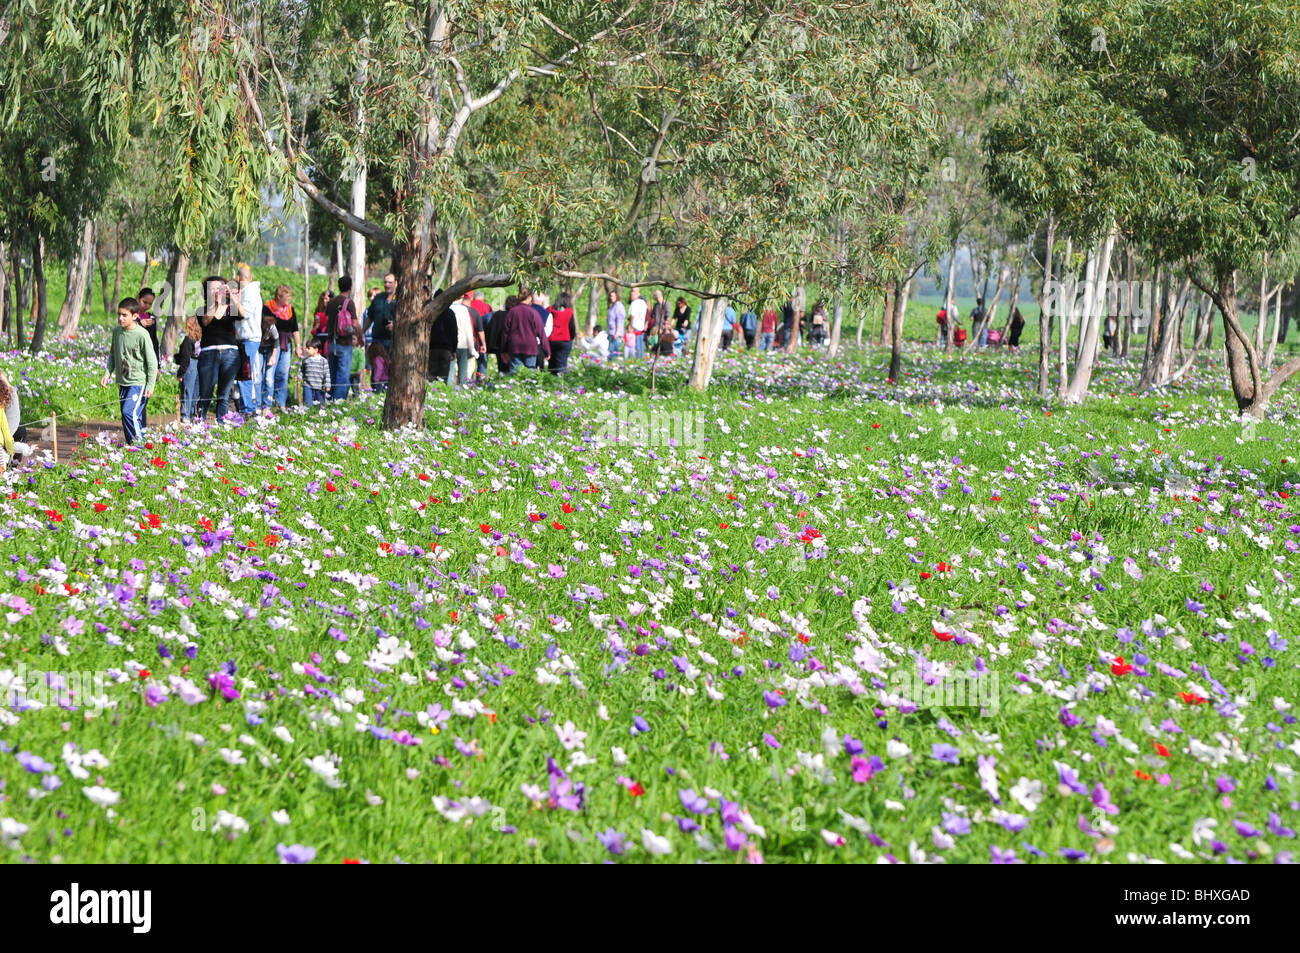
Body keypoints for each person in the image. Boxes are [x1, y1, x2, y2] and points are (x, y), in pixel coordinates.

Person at [100, 297, 157, 446]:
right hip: (123, 382)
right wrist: (107, 373)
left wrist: (150, 384)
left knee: (128, 413)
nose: (120, 318)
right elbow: (113, 354)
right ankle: (132, 447)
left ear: (135, 316)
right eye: (119, 314)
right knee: (130, 417)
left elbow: (152, 361)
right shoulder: (117, 332)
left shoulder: (142, 334)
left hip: (139, 382)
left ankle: (140, 447)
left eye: (125, 315)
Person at [195, 276, 240, 422]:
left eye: (218, 288)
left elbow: (243, 313)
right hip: (209, 353)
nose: (215, 291)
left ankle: (222, 424)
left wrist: (231, 295)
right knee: (206, 392)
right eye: (212, 288)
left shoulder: (231, 308)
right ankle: (199, 423)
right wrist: (216, 303)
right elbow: (206, 321)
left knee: (224, 394)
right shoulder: (202, 310)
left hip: (230, 352)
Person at [231, 264, 263, 415]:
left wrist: (232, 298)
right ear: (250, 278)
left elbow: (244, 313)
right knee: (245, 373)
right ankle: (246, 406)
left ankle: (247, 408)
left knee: (245, 374)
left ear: (239, 278)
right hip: (246, 338)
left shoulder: (250, 293)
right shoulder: (247, 292)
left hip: (249, 338)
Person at [322, 277, 359, 401]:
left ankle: (330, 398)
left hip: (331, 343)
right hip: (344, 343)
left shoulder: (332, 302)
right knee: (343, 374)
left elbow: (328, 318)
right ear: (350, 287)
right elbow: (354, 323)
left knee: (332, 373)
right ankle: (339, 402)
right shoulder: (349, 303)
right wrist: (361, 334)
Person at [264, 284, 299, 410]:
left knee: (283, 375)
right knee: (269, 375)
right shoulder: (268, 308)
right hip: (273, 346)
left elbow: (295, 328)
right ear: (279, 296)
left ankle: (281, 403)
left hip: (286, 345)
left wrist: (298, 345)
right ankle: (267, 403)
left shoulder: (290, 309)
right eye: (287, 296)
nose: (289, 298)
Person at [503, 289, 550, 373]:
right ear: (529, 298)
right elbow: (541, 333)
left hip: (515, 347)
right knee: (529, 375)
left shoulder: (512, 312)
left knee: (516, 374)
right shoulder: (533, 313)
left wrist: (503, 350)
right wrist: (547, 350)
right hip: (530, 347)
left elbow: (506, 333)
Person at [0, 371, 30, 465]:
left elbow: (8, 427)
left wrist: (6, 446)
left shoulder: (9, 394)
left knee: (21, 430)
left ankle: (12, 463)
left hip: (3, 439)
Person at [176, 315, 202, 422]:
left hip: (190, 365)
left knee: (187, 391)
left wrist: (180, 373)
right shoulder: (200, 340)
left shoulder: (188, 339)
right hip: (199, 364)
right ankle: (191, 414)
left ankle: (184, 415)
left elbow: (185, 358)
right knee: (195, 392)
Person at [429, 293, 459, 384]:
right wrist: (454, 350)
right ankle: (440, 392)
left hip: (432, 348)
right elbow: (454, 332)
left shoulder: (431, 312)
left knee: (431, 376)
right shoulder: (450, 313)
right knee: (443, 377)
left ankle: (432, 392)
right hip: (446, 349)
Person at [363, 273, 398, 350]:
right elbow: (370, 318)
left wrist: (396, 325)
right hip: (377, 341)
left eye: (390, 282)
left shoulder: (400, 298)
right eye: (385, 282)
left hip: (394, 341)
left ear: (395, 283)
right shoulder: (378, 298)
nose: (387, 285)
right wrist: (362, 333)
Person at [256, 304, 279, 413]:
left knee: (269, 378)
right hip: (260, 350)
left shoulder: (272, 327)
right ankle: (257, 404)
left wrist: (273, 357)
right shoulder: (257, 325)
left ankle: (267, 405)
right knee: (258, 377)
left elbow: (276, 341)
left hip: (271, 350)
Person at [547, 291, 578, 373]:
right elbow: (572, 327)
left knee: (551, 363)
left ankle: (550, 381)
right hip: (564, 340)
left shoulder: (549, 309)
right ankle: (561, 382)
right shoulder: (569, 312)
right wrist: (571, 338)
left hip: (551, 340)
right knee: (562, 364)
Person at [453, 296, 478, 385]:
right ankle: (462, 390)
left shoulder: (448, 308)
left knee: (451, 373)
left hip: (450, 345)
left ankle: (449, 391)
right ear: (462, 297)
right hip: (462, 344)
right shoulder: (463, 310)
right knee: (463, 373)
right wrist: (472, 350)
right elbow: (468, 330)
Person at [486, 295, 514, 374]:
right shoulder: (514, 315)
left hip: (498, 346)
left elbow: (491, 329)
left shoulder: (498, 315)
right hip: (511, 347)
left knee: (502, 369)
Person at [628, 287, 648, 358]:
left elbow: (632, 316)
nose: (631, 293)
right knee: (640, 343)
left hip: (635, 326)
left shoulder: (634, 303)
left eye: (633, 291)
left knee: (636, 344)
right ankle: (641, 357)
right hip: (641, 326)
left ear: (638, 293)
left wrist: (630, 325)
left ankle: (638, 358)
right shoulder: (643, 303)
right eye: (631, 291)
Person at [606, 290, 626, 359]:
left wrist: (617, 333)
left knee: (613, 352)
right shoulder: (612, 306)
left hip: (615, 333)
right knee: (611, 351)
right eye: (610, 296)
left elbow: (620, 320)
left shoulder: (618, 306)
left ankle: (613, 366)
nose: (611, 298)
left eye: (613, 296)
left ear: (617, 297)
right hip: (611, 332)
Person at [311, 290, 331, 354]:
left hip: (329, 340)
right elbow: (314, 330)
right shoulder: (318, 313)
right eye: (325, 299)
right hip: (319, 340)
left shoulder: (334, 312)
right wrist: (316, 327)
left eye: (329, 298)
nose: (327, 301)